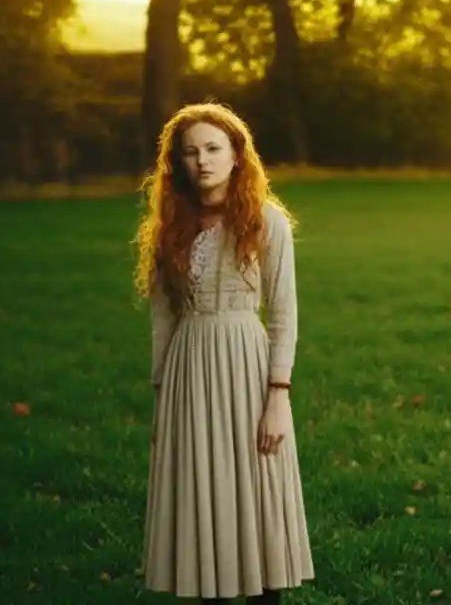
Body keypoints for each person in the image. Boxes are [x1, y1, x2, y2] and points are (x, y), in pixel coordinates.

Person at [134, 102, 315, 603]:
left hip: (247, 367)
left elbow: (283, 313)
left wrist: (278, 395)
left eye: (214, 148)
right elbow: (163, 318)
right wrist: (162, 392)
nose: (203, 161)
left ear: (237, 154)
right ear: (178, 163)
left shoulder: (265, 221)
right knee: (202, 497)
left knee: (256, 497)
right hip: (189, 369)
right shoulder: (171, 226)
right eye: (191, 152)